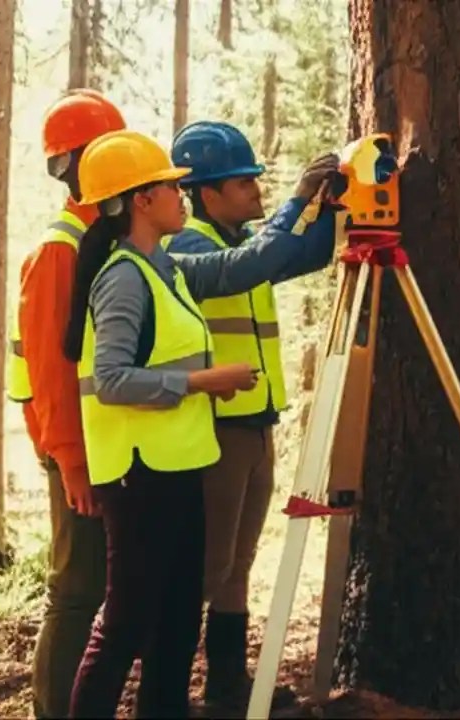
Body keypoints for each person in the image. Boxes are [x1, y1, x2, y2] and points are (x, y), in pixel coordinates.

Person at [64, 129, 339, 719]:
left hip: (181, 465)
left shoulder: (168, 268)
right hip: (138, 475)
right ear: (141, 200)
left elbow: (247, 264)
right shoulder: (122, 277)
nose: (180, 193)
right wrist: (199, 383)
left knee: (181, 616)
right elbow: (111, 378)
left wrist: (310, 204)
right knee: (126, 623)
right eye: (171, 185)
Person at [164, 120, 331, 712]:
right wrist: (297, 201)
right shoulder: (185, 245)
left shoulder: (245, 240)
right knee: (207, 570)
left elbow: (308, 252)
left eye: (257, 179)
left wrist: (327, 208)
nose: (255, 188)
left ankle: (227, 690)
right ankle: (168, 695)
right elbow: (246, 265)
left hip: (258, 427)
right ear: (206, 193)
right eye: (241, 182)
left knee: (238, 567)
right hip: (216, 431)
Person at [4, 89, 125, 720]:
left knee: (103, 586)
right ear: (75, 164)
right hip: (74, 448)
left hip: (106, 443)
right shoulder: (63, 247)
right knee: (77, 591)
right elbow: (52, 372)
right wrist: (72, 461)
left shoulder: (106, 236)